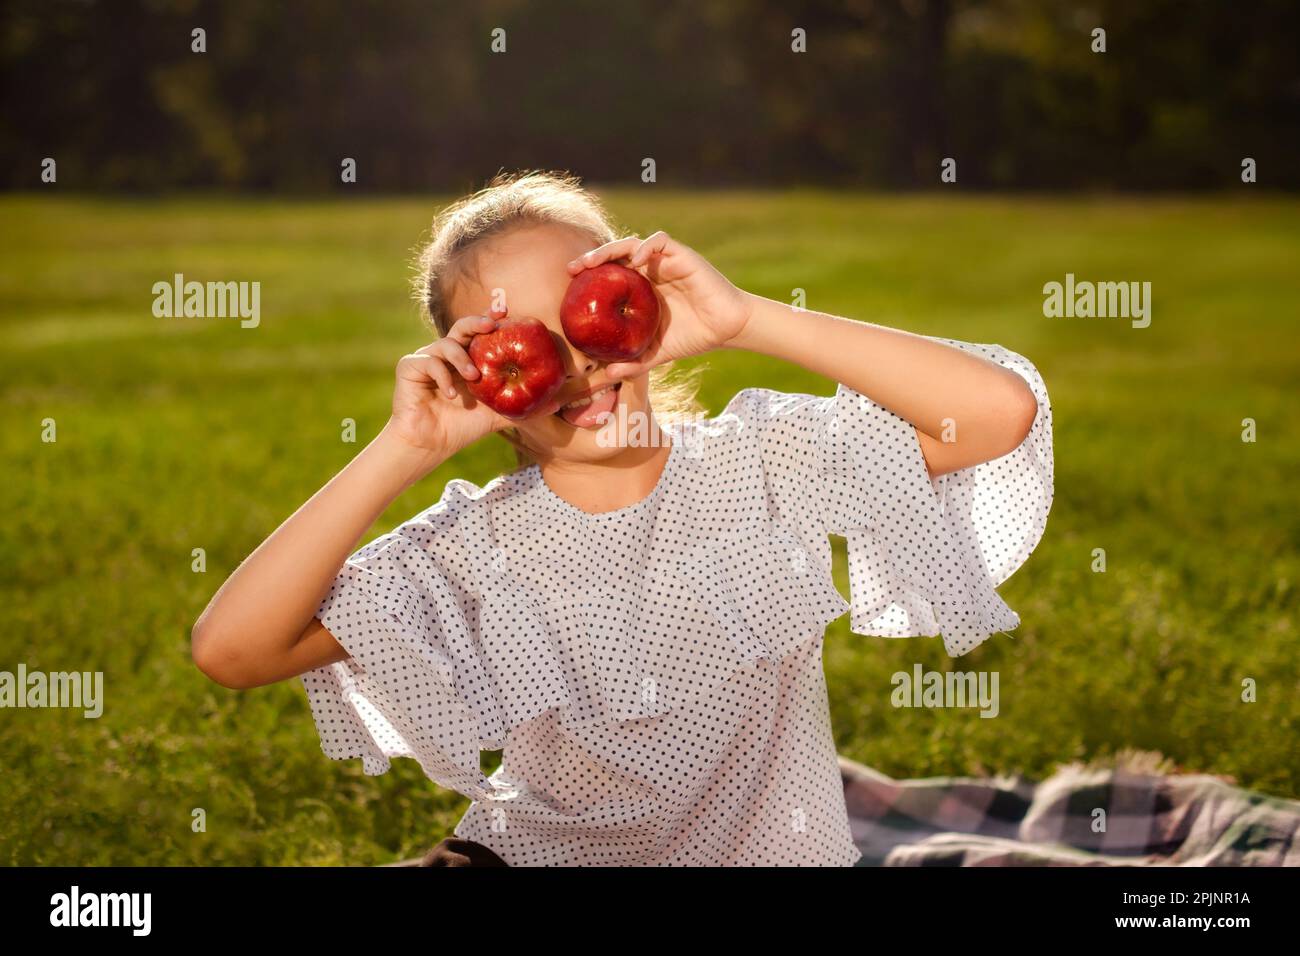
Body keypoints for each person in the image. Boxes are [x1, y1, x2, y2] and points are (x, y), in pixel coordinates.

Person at [192, 170, 1053, 866]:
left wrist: (745, 319)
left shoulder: (757, 462)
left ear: (637, 301)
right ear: (473, 378)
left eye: (586, 316)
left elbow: (994, 415)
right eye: (517, 345)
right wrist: (405, 449)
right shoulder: (474, 548)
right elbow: (233, 650)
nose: (573, 367)